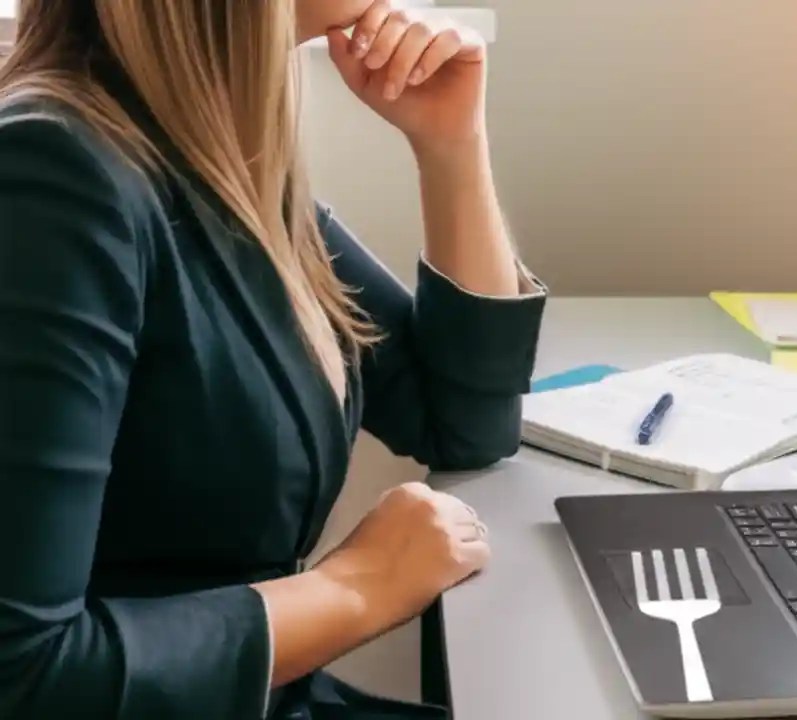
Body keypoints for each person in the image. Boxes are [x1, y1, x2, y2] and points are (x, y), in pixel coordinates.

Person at [0, 0, 545, 717]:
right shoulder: (56, 175)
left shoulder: (218, 156)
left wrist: (452, 145)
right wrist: (358, 586)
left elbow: (462, 420)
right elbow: (27, 675)